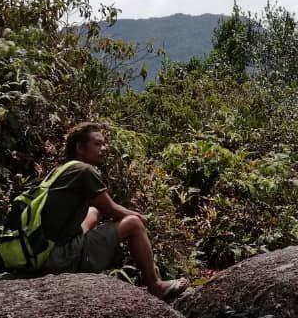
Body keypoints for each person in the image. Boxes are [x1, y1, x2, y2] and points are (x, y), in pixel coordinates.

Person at [40, 122, 188, 301]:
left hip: (44, 251)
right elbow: (110, 208)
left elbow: (100, 209)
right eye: (97, 144)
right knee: (134, 223)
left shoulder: (59, 171)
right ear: (80, 147)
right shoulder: (84, 171)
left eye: (104, 143)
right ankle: (155, 285)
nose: (104, 148)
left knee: (93, 212)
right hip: (62, 258)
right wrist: (140, 217)